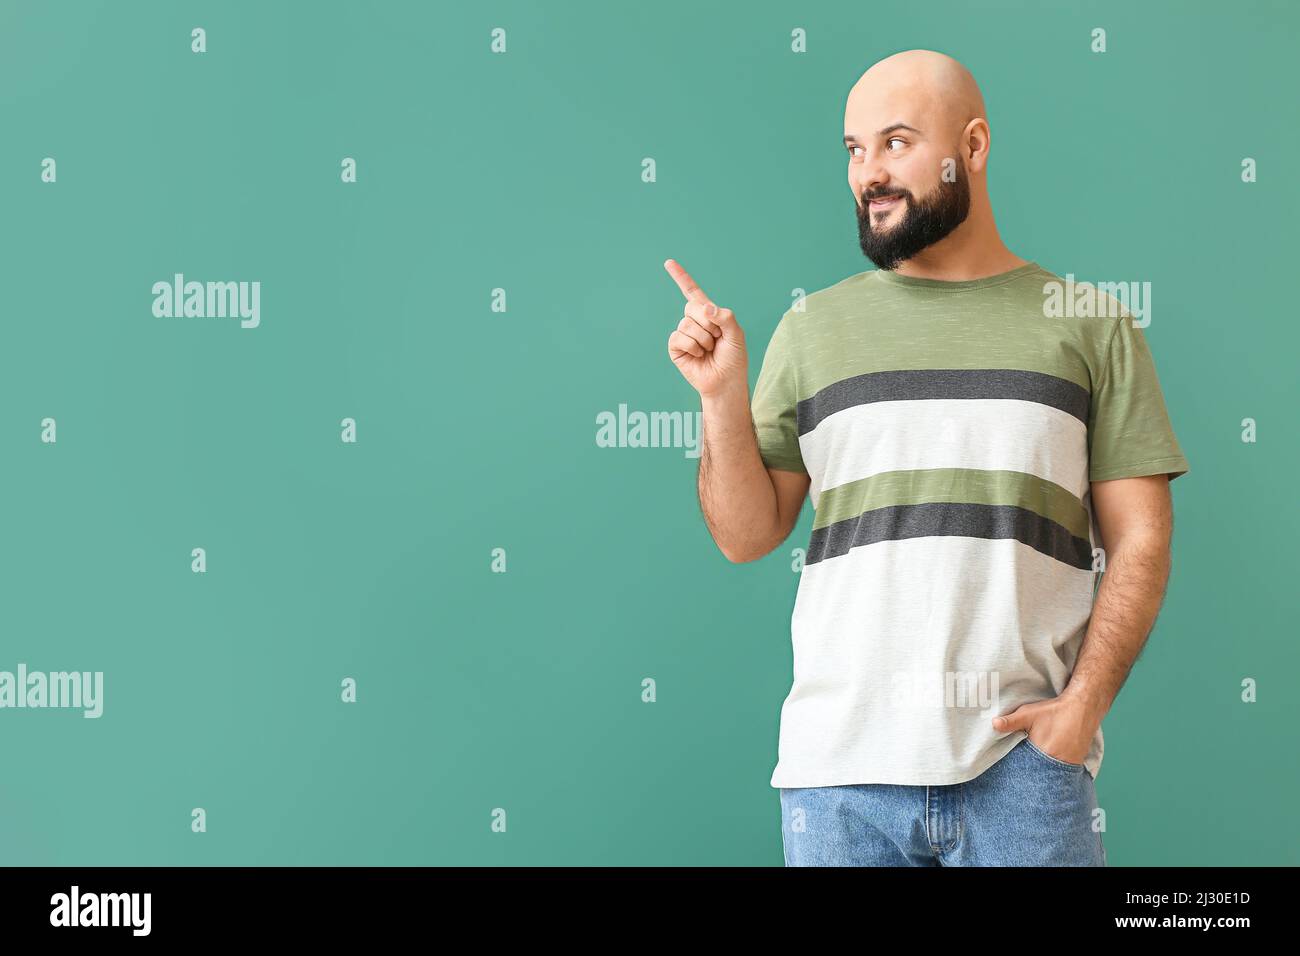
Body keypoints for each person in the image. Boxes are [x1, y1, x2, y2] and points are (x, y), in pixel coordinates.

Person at [663, 49, 1189, 866]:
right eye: (853, 149)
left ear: (971, 147)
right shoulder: (811, 329)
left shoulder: (1090, 324)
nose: (869, 172)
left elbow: (1142, 540)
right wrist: (719, 399)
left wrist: (1082, 708)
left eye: (896, 142)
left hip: (1025, 774)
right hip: (838, 780)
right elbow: (744, 533)